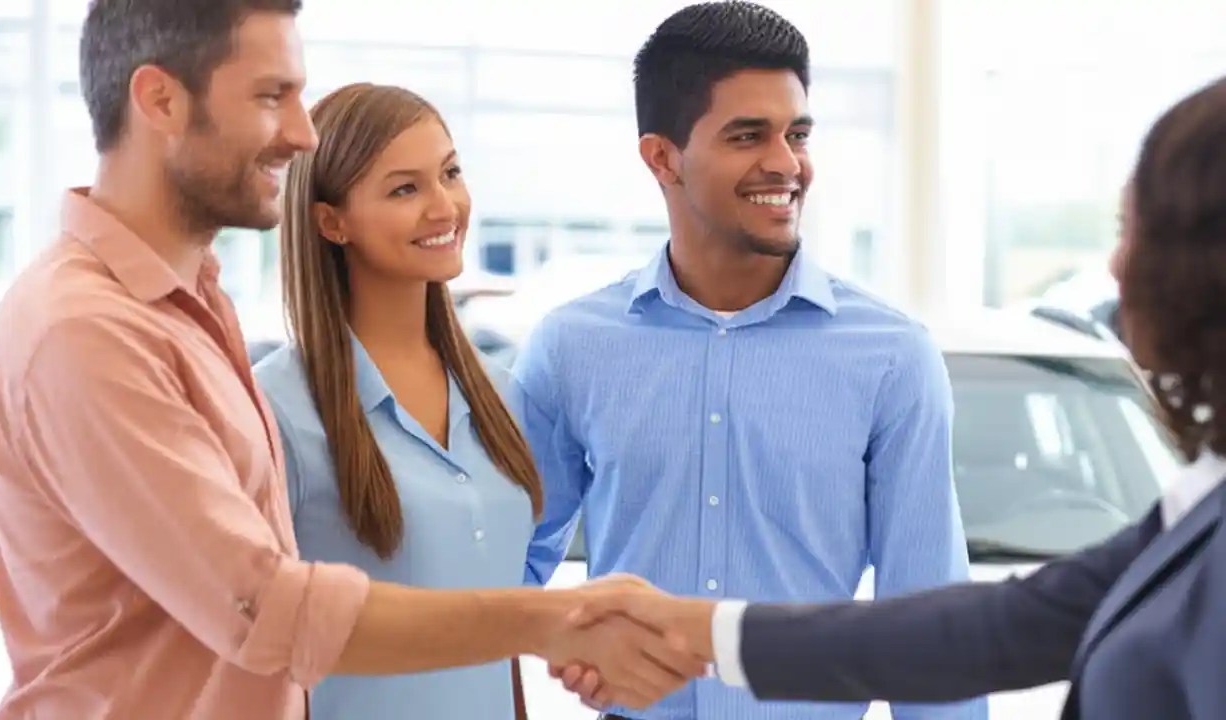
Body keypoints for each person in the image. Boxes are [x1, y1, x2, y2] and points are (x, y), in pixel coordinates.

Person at [0, 3, 702, 719]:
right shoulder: (83, 334)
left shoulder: (192, 310)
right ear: (160, 100)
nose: (300, 132)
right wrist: (553, 621)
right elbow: (266, 609)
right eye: (271, 96)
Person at [569, 75, 1226, 720]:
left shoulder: (894, 355)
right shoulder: (1200, 506)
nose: (1114, 266)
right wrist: (699, 631)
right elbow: (992, 629)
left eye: (1137, 229)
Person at [513, 3, 987, 718]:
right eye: (747, 135)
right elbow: (503, 567)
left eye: (796, 133)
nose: (786, 163)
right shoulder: (571, 348)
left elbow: (923, 621)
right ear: (661, 156)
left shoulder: (892, 358)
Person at [251, 81, 560, 719]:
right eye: (405, 188)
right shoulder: (275, 410)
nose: (445, 206)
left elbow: (500, 637)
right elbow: (257, 653)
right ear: (330, 221)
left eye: (450, 173)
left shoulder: (501, 395)